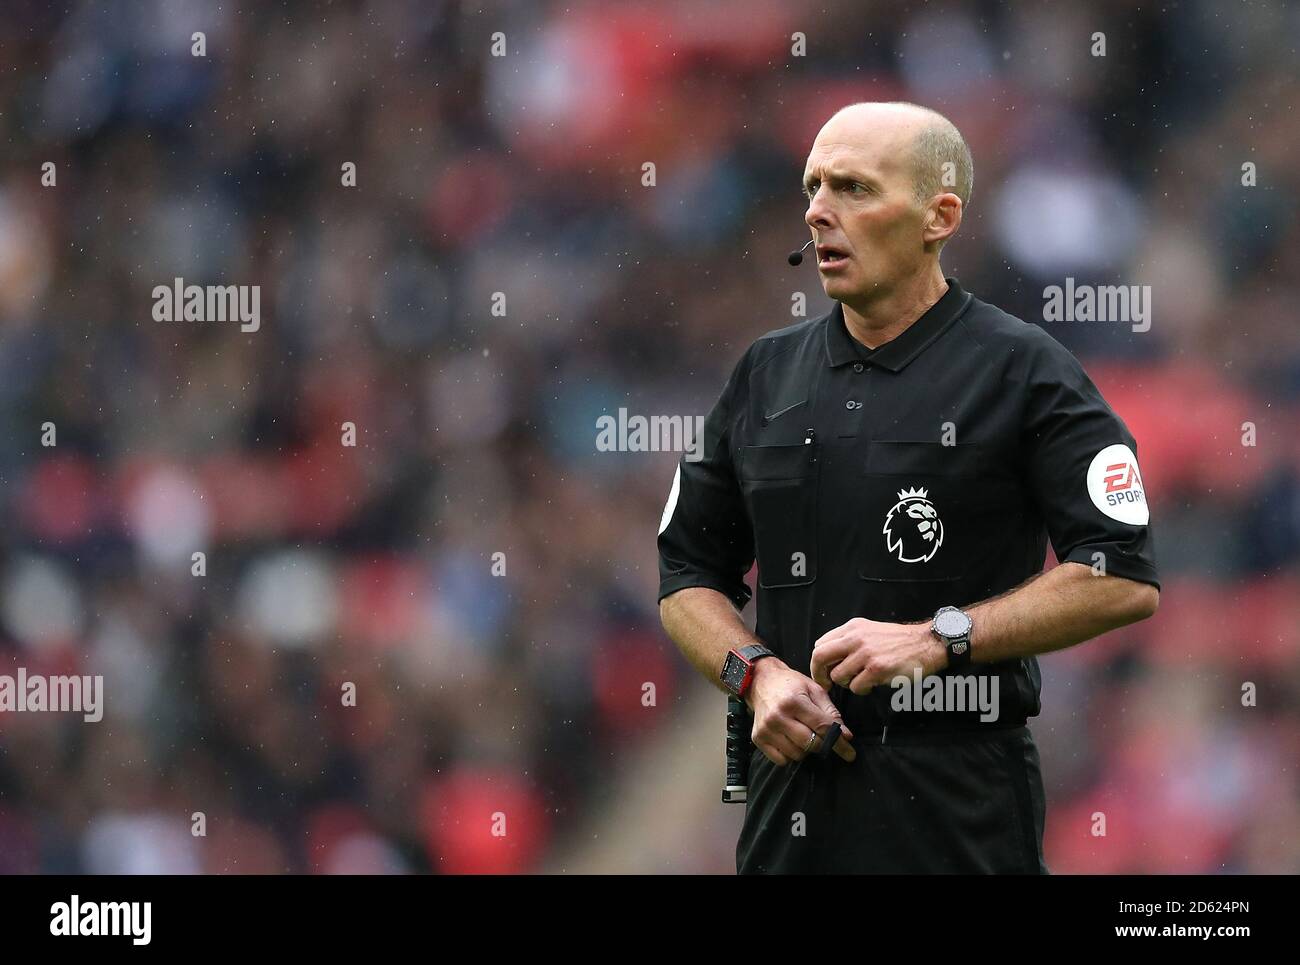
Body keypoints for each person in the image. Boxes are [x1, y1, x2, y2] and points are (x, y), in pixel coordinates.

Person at [656, 102, 1160, 873]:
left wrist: (939, 636)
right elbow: (685, 573)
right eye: (813, 186)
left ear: (939, 215)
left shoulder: (1024, 370)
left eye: (854, 188)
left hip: (960, 802)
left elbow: (1121, 575)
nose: (819, 211)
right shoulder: (764, 373)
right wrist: (753, 676)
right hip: (789, 807)